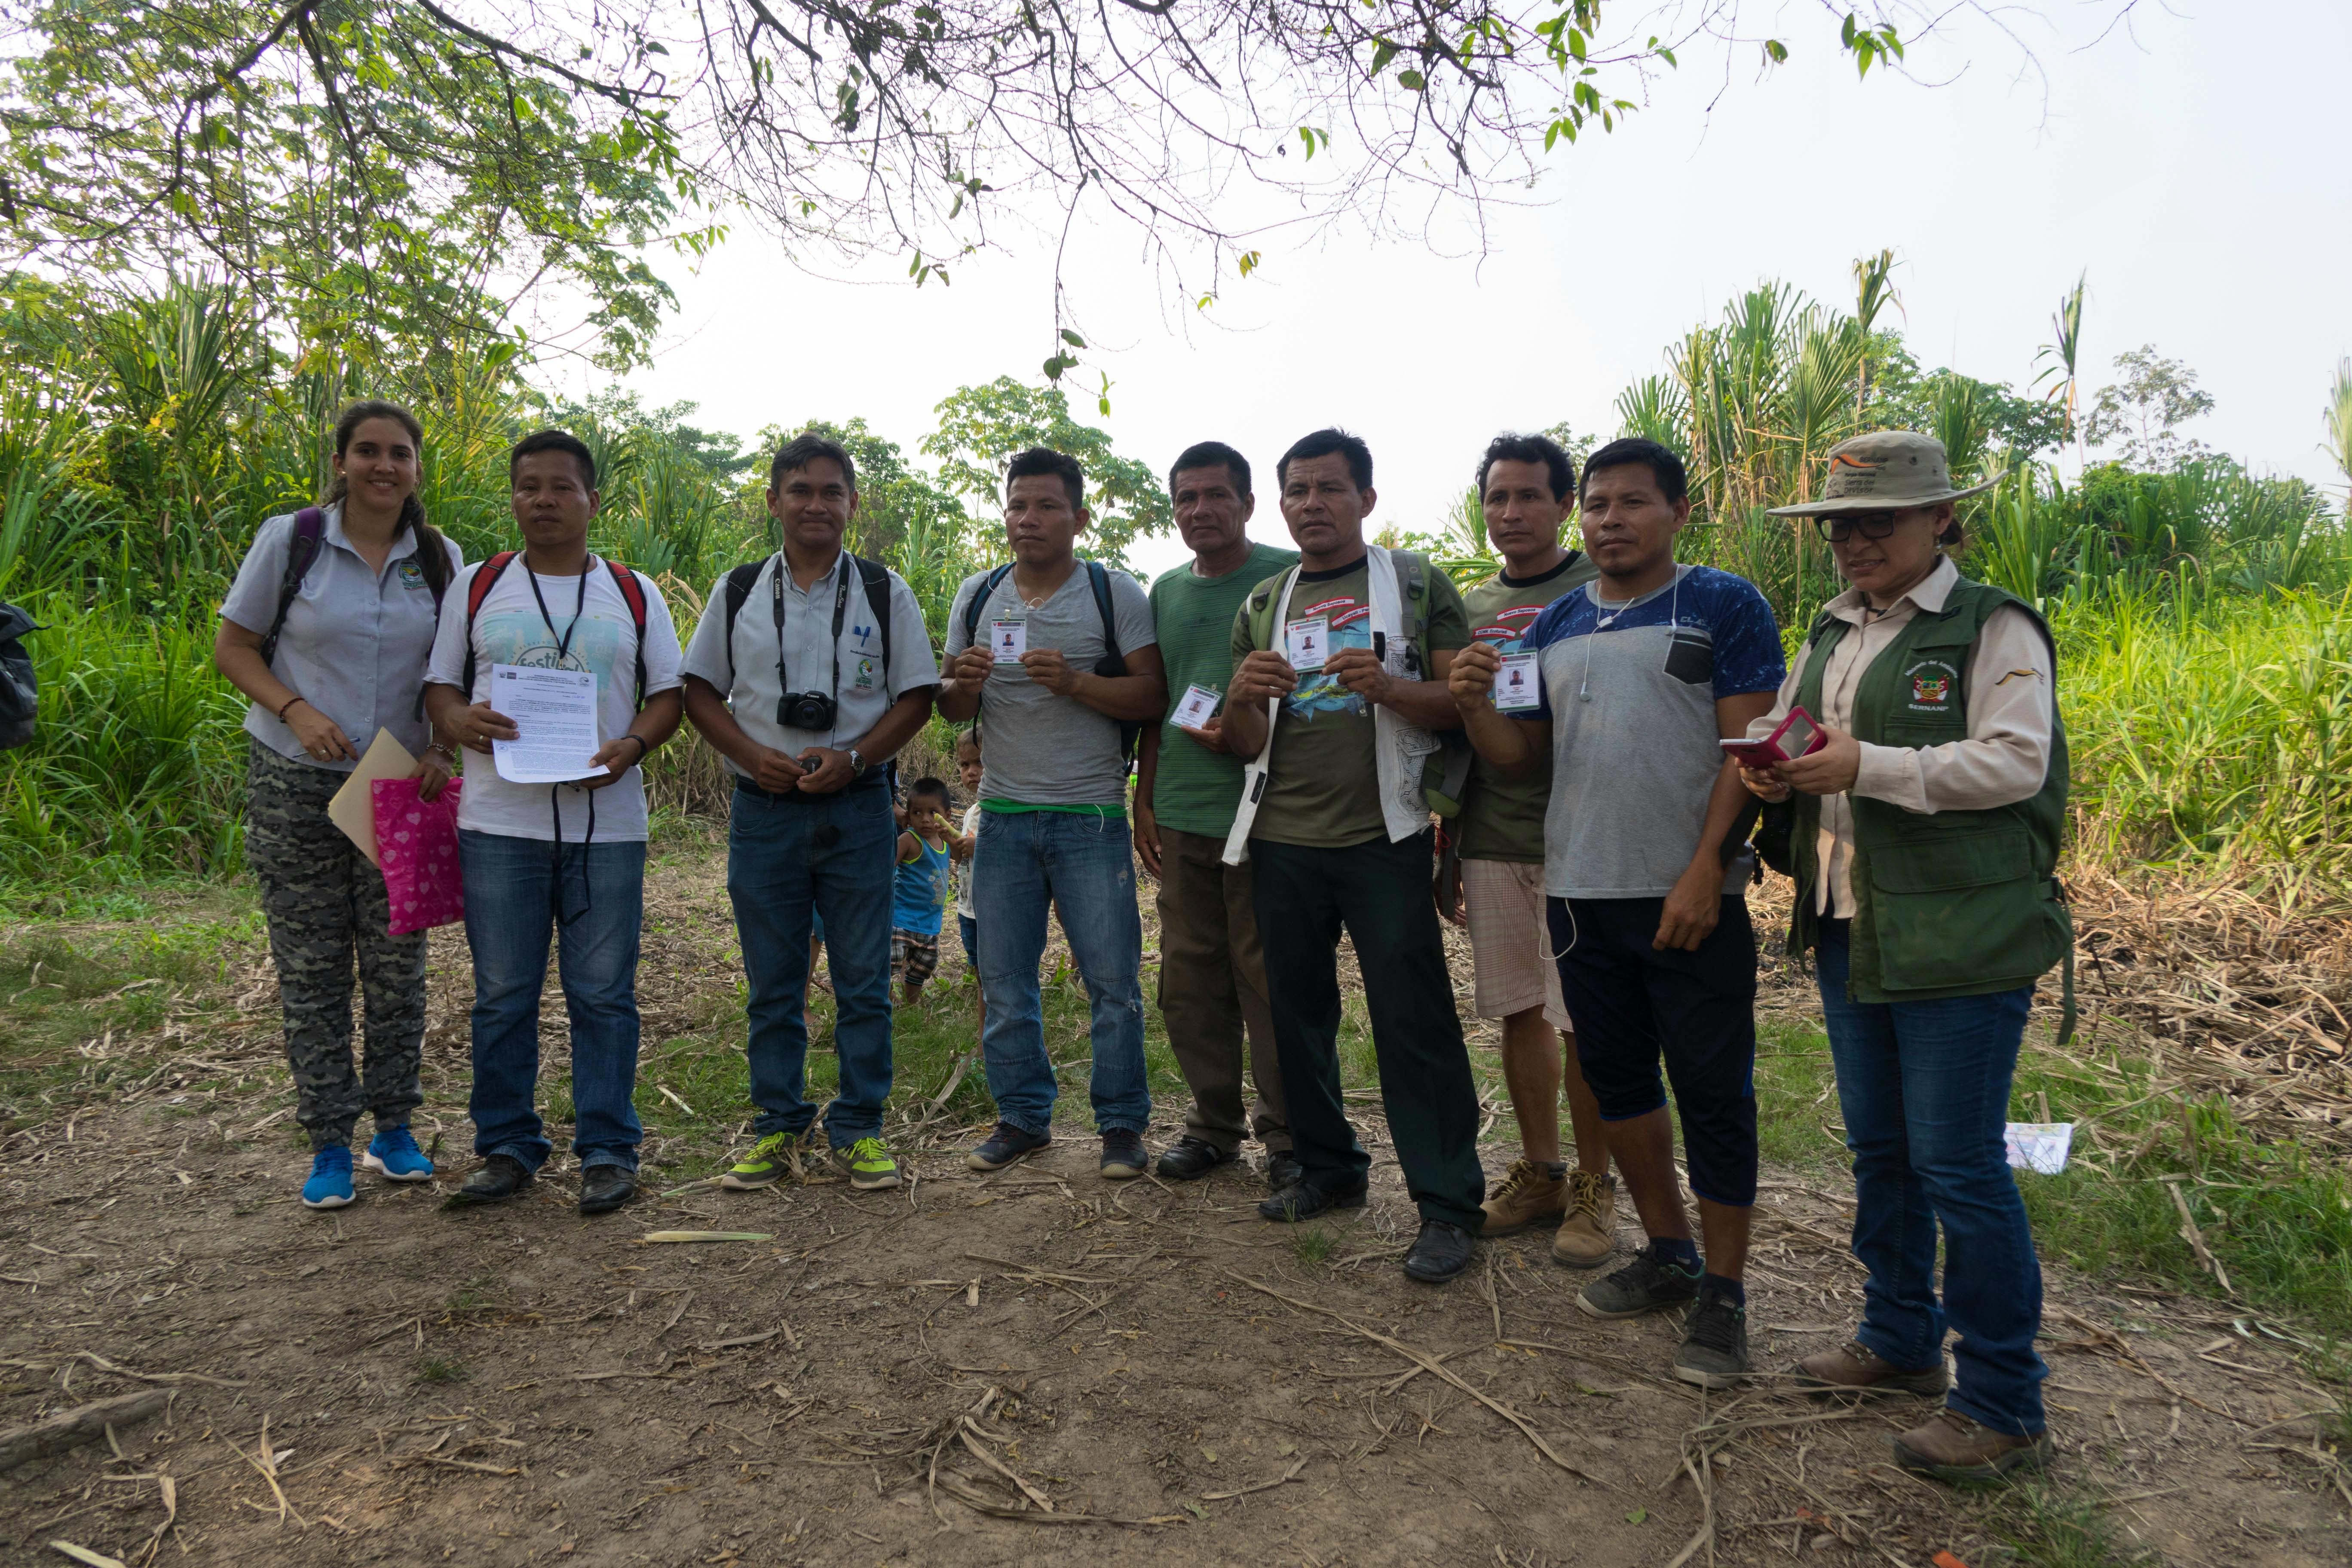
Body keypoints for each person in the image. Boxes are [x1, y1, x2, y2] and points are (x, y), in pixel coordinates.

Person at [1743, 430, 2069, 1483]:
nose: (1850, 542)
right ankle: (1895, 1337)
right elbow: (1808, 742)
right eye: (1837, 524)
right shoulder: (1830, 632)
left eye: (1875, 521)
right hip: (1853, 923)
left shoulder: (1993, 625)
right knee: (1880, 1150)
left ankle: (2003, 1403)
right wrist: (1774, 767)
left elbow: (2015, 763)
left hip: (1960, 938)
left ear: (1939, 520)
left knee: (1960, 1167)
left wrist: (1864, 763)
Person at [1450, 437, 1784, 1384]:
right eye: (1597, 506)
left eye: (1631, 503)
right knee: (1624, 1083)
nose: (1609, 521)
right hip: (1580, 893)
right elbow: (1521, 759)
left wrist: (1705, 867)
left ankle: (1725, 1293)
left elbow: (1749, 750)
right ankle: (1670, 1252)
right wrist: (1475, 708)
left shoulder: (1723, 604)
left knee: (1716, 1094)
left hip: (1689, 898)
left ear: (1679, 514)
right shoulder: (1553, 624)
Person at [1221, 428, 1486, 1284]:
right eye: (1296, 490)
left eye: (1329, 488)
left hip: (1384, 837)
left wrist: (1392, 690)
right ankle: (1329, 1171)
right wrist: (1242, 694)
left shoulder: (1411, 584)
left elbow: (1461, 704)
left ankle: (1447, 1206)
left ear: (1366, 500)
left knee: (1415, 1025)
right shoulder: (1266, 601)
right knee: (1297, 1018)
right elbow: (1239, 741)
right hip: (1283, 842)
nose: (1311, 504)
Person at [424, 429, 686, 1215]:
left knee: (603, 994)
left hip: (606, 825)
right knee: (503, 992)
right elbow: (439, 685)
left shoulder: (633, 591)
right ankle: (506, 1146)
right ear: (513, 497)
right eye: (528, 485)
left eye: (561, 487)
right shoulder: (477, 585)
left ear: (591, 501)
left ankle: (608, 1149)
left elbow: (669, 694)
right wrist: (459, 720)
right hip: (498, 821)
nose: (543, 499)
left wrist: (634, 743)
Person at [214, 400, 463, 1210]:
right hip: (294, 779)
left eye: (398, 452)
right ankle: (327, 1139)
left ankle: (394, 1127)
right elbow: (234, 646)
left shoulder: (440, 557)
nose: (383, 465)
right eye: (367, 451)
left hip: (398, 785)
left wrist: (441, 745)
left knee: (398, 969)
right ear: (342, 460)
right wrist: (295, 709)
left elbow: (456, 671)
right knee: (312, 969)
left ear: (417, 467)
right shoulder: (293, 542)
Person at [680, 434, 939, 1194]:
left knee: (862, 979)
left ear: (852, 504)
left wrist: (856, 758)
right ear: (774, 502)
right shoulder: (737, 592)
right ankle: (777, 1126)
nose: (816, 504)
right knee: (774, 982)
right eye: (800, 490)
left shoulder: (885, 592)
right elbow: (699, 691)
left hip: (857, 810)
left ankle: (860, 1128)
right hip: (763, 810)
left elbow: (916, 695)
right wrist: (747, 752)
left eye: (832, 491)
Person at [937, 448, 1167, 1179]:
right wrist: (962, 684)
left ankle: (1122, 1125)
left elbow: (1152, 698)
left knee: (1112, 984)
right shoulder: (977, 595)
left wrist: (1073, 682)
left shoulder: (1112, 592)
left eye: (1044, 506)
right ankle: (1023, 1118)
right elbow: (945, 706)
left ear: (1079, 516)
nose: (1027, 519)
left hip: (1090, 819)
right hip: (1001, 818)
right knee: (1004, 982)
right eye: (1016, 505)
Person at [1446, 433, 1622, 1266]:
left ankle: (1596, 1185)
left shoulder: (1603, 589)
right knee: (1518, 1008)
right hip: (1493, 832)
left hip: (1584, 838)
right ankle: (1542, 1171)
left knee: (1583, 1018)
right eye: (1496, 499)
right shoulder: (1471, 607)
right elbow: (1456, 733)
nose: (1510, 513)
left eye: (1528, 497)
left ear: (1564, 507)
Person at [1133, 441, 1302, 1188]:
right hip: (1183, 811)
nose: (1199, 510)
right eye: (1185, 498)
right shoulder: (1165, 589)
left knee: (1268, 976)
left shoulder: (1287, 576)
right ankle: (1212, 1126)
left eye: (1215, 495)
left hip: (1271, 811)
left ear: (1247, 503)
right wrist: (1145, 792)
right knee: (1190, 978)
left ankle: (1293, 1137)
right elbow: (1161, 697)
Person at [892, 777, 956, 1004]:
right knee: (891, 963)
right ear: (908, 817)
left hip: (930, 922)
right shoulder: (908, 839)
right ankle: (887, 998)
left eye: (933, 812)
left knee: (922, 967)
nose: (925, 819)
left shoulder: (945, 842)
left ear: (947, 816)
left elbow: (961, 858)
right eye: (917, 813)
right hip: (900, 918)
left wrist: (951, 835)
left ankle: (911, 1004)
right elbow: (888, 867)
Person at [951, 729, 986, 1027]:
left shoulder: (1002, 812)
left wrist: (981, 847)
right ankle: (984, 1038)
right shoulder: (971, 812)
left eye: (980, 762)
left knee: (996, 974)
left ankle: (991, 1039)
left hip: (993, 909)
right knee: (980, 974)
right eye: (965, 766)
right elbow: (962, 860)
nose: (972, 772)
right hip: (968, 909)